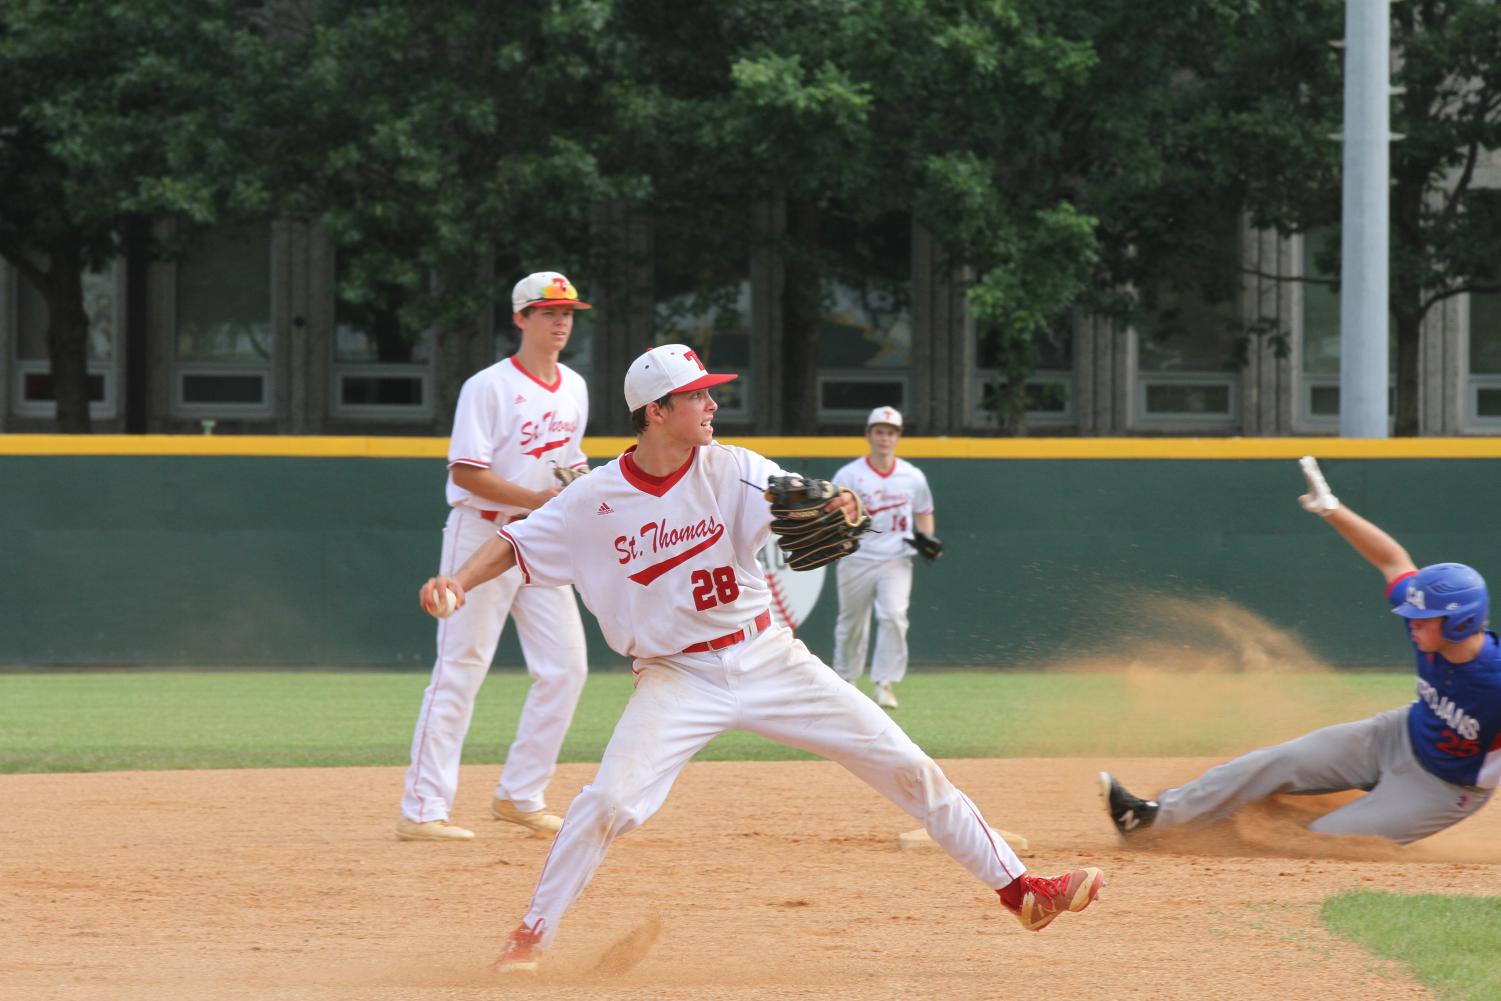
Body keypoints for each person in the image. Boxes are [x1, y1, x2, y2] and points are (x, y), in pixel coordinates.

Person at [418, 344, 1106, 971]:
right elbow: (515, 542)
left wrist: (838, 503)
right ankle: (529, 935)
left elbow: (792, 497)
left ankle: (1021, 890)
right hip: (675, 676)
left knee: (909, 766)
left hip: (768, 655)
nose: (711, 404)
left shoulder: (733, 467)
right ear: (656, 411)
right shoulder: (592, 499)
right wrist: (459, 581)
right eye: (696, 395)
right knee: (608, 801)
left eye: (709, 392)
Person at [1101, 456, 1500, 845]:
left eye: (1423, 618)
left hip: (1445, 789)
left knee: (1325, 843)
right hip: (1396, 735)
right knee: (1274, 761)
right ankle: (1152, 819)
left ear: (1459, 622)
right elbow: (1393, 560)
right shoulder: (1429, 630)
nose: (1412, 622)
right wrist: (1332, 509)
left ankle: (1243, 834)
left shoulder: (1493, 679)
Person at [396, 271, 593, 842]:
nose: (560, 321)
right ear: (520, 318)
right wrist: (537, 500)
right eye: (548, 312)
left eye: (567, 313)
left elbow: (568, 460)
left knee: (566, 669)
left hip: (540, 541)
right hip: (481, 531)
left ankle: (520, 794)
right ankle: (423, 809)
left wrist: (580, 484)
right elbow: (466, 472)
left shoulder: (574, 386)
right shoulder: (488, 386)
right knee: (461, 668)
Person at [831, 406, 938, 709]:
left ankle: (884, 683)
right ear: (868, 435)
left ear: (898, 437)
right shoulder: (849, 474)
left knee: (894, 616)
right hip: (857, 557)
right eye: (879, 431)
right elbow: (833, 513)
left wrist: (926, 537)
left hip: (897, 558)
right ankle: (846, 681)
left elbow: (924, 512)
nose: (885, 438)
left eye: (891, 433)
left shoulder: (912, 476)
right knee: (852, 623)